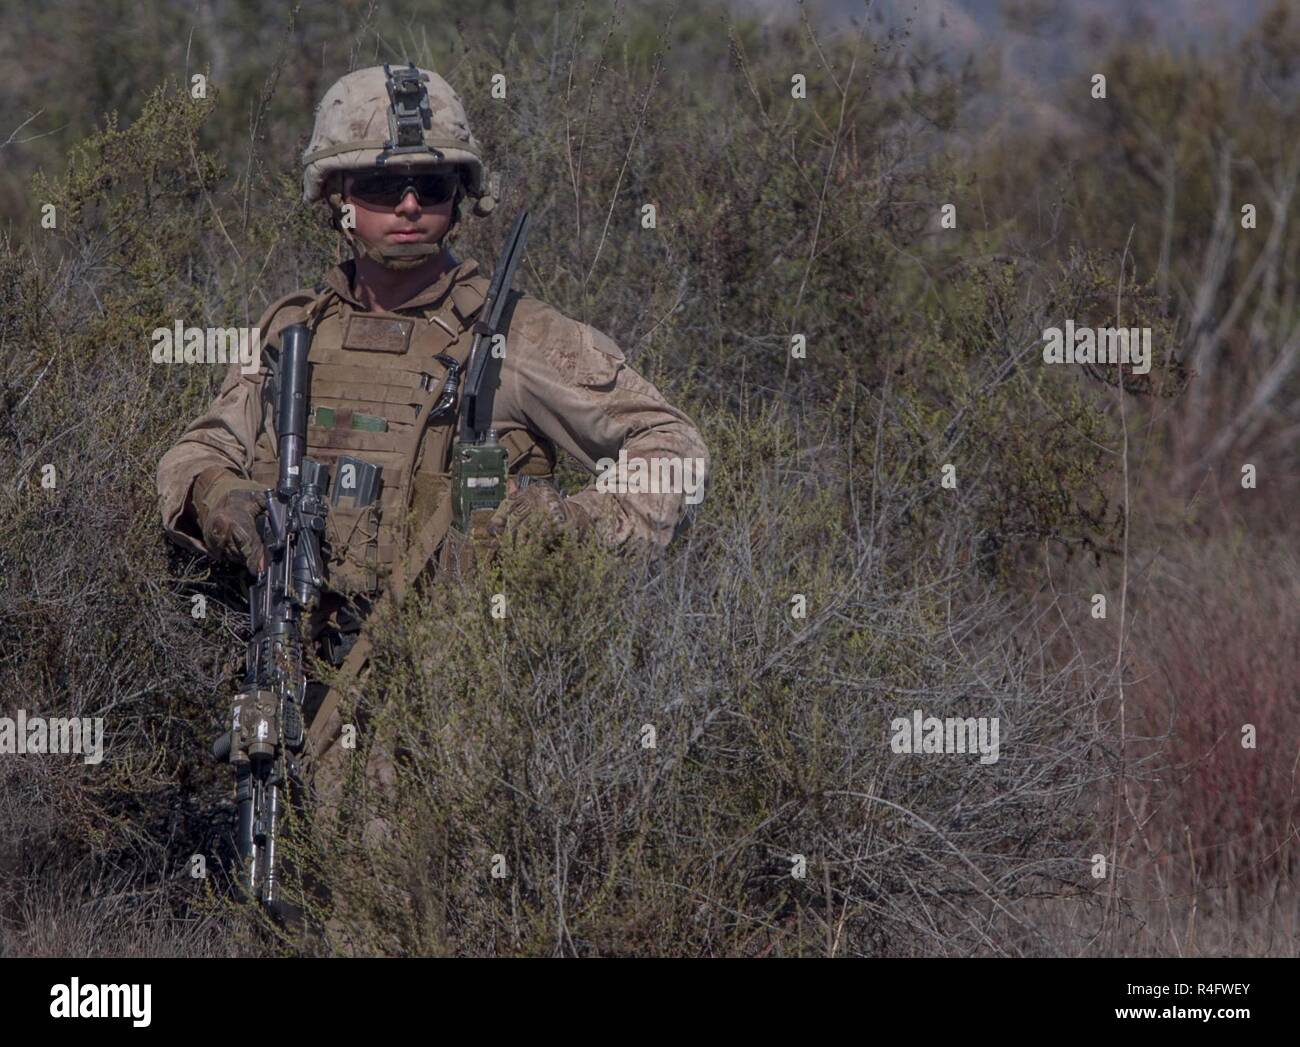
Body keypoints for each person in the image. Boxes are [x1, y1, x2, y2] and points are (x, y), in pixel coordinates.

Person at [156, 63, 707, 897]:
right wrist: (223, 503)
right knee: (273, 908)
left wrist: (563, 525)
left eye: (432, 184)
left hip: (449, 698)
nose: (410, 205)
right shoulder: (290, 334)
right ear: (337, 195)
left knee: (407, 908)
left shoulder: (515, 339)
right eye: (384, 184)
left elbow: (672, 449)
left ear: (462, 195)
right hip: (295, 680)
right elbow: (194, 452)